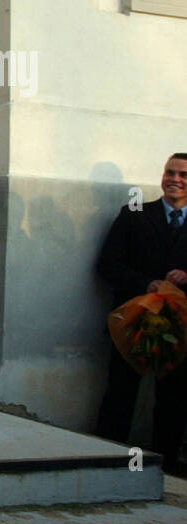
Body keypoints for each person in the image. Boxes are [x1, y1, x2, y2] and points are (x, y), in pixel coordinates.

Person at [94, 153, 187, 476]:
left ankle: (167, 465)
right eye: (170, 172)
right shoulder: (135, 215)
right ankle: (107, 456)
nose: (175, 179)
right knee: (121, 390)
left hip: (180, 329)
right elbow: (107, 265)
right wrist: (146, 283)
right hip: (132, 324)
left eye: (183, 175)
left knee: (174, 397)